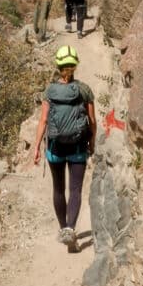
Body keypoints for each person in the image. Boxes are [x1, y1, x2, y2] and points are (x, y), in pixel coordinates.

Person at [33, 45, 95, 251]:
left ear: (58, 66)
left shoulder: (49, 91)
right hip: (77, 147)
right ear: (75, 65)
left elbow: (43, 121)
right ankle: (71, 228)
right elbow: (92, 121)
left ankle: (64, 230)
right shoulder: (84, 90)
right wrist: (92, 142)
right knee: (75, 189)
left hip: (55, 148)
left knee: (58, 189)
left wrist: (36, 148)